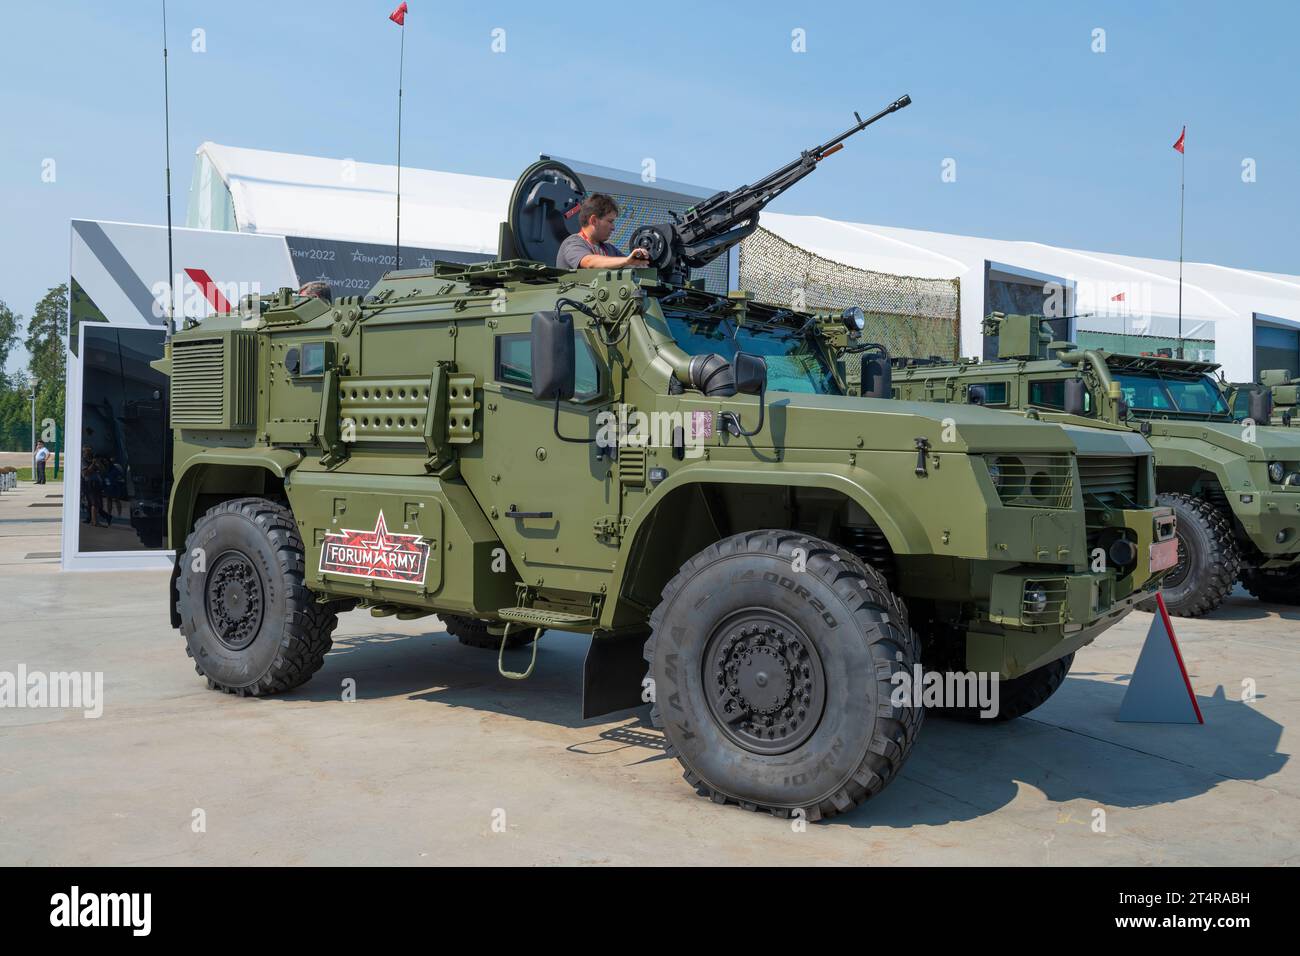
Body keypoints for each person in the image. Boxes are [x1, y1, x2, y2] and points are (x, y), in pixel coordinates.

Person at [556, 194, 651, 271]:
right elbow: (588, 262)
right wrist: (626, 261)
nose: (613, 228)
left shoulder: (610, 249)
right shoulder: (573, 243)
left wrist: (642, 261)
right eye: (610, 221)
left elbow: (632, 265)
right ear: (593, 220)